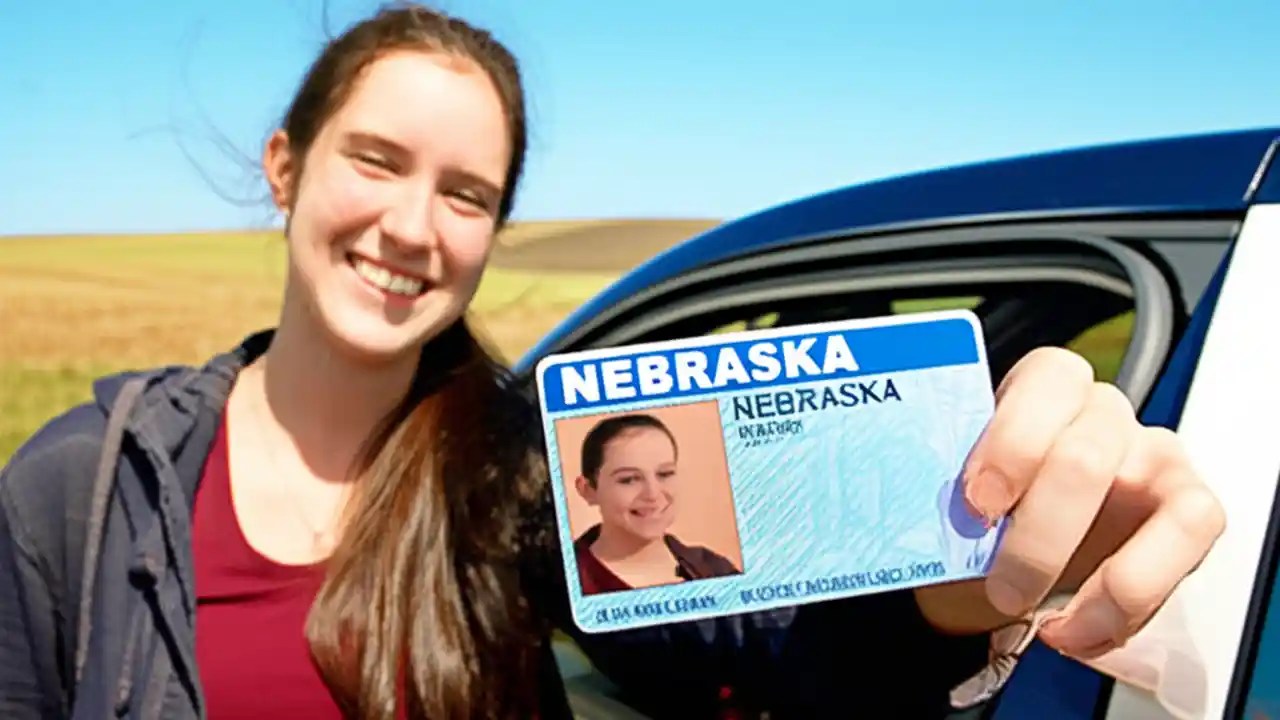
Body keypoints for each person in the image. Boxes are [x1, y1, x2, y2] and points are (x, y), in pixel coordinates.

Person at [0, 3, 1226, 719]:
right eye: (376, 161)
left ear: (493, 232)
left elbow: (772, 645)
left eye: (466, 193)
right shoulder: (84, 487)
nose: (414, 227)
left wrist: (976, 560)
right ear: (286, 166)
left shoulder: (527, 465)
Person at [571, 413, 741, 596]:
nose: (652, 494)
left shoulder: (715, 571)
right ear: (588, 490)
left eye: (665, 474)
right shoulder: (562, 585)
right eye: (628, 480)